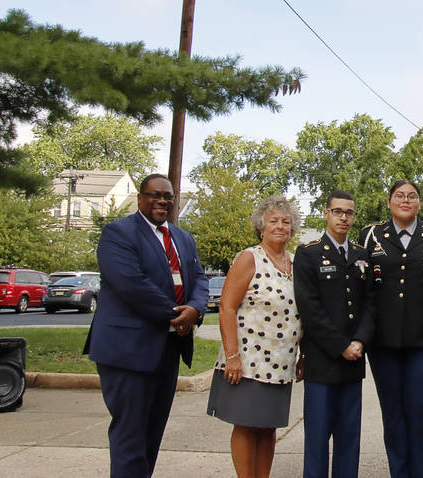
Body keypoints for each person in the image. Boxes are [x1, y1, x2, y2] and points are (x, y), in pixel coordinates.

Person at [84, 173, 209, 478]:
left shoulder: (182, 238)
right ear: (140, 198)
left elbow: (201, 279)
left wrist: (195, 308)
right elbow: (131, 285)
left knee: (151, 436)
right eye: (155, 195)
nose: (162, 201)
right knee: (130, 436)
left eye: (167, 196)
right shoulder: (119, 233)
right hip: (128, 352)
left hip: (167, 349)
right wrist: (177, 314)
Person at [359, 180, 423, 478]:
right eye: (399, 195)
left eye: (412, 196)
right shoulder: (370, 235)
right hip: (383, 343)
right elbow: (362, 290)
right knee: (393, 414)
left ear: (419, 203)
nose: (406, 200)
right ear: (389, 202)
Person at [206, 195, 303, 478]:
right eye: (273, 221)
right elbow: (227, 307)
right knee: (247, 425)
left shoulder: (296, 264)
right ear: (261, 227)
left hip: (282, 362)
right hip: (248, 362)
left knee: (267, 426)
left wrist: (303, 355)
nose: (280, 226)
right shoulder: (249, 258)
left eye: (286, 222)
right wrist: (232, 356)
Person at [294, 190, 377, 478]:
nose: (344, 217)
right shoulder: (309, 253)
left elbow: (370, 304)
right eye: (338, 211)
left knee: (349, 439)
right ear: (326, 213)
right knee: (317, 439)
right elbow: (309, 308)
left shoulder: (360, 254)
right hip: (323, 360)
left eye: (349, 213)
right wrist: (341, 344)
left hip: (353, 361)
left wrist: (359, 341)